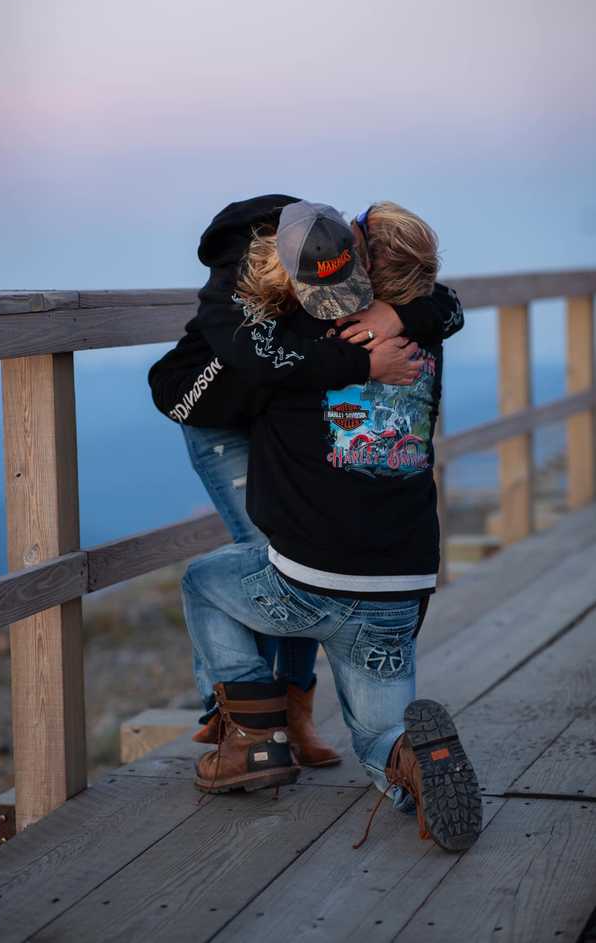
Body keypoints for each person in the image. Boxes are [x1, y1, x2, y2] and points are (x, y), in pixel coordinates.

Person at [174, 200, 482, 853]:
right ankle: (407, 757)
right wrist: (405, 313)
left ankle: (253, 736)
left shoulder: (298, 338)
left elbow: (205, 374)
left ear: (360, 259)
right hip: (401, 588)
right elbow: (447, 303)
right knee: (377, 739)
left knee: (204, 582)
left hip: (308, 582)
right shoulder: (425, 337)